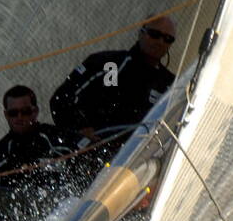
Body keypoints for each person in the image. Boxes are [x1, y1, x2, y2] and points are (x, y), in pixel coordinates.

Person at [49, 13, 177, 152]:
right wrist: (78, 128)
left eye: (168, 39)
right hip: (93, 149)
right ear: (141, 32)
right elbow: (60, 99)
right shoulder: (110, 64)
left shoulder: (171, 84)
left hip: (137, 157)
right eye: (154, 34)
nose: (160, 42)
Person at [0, 85, 77, 221]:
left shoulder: (59, 140)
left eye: (25, 112)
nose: (19, 117)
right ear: (6, 115)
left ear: (35, 112)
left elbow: (84, 178)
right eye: (13, 113)